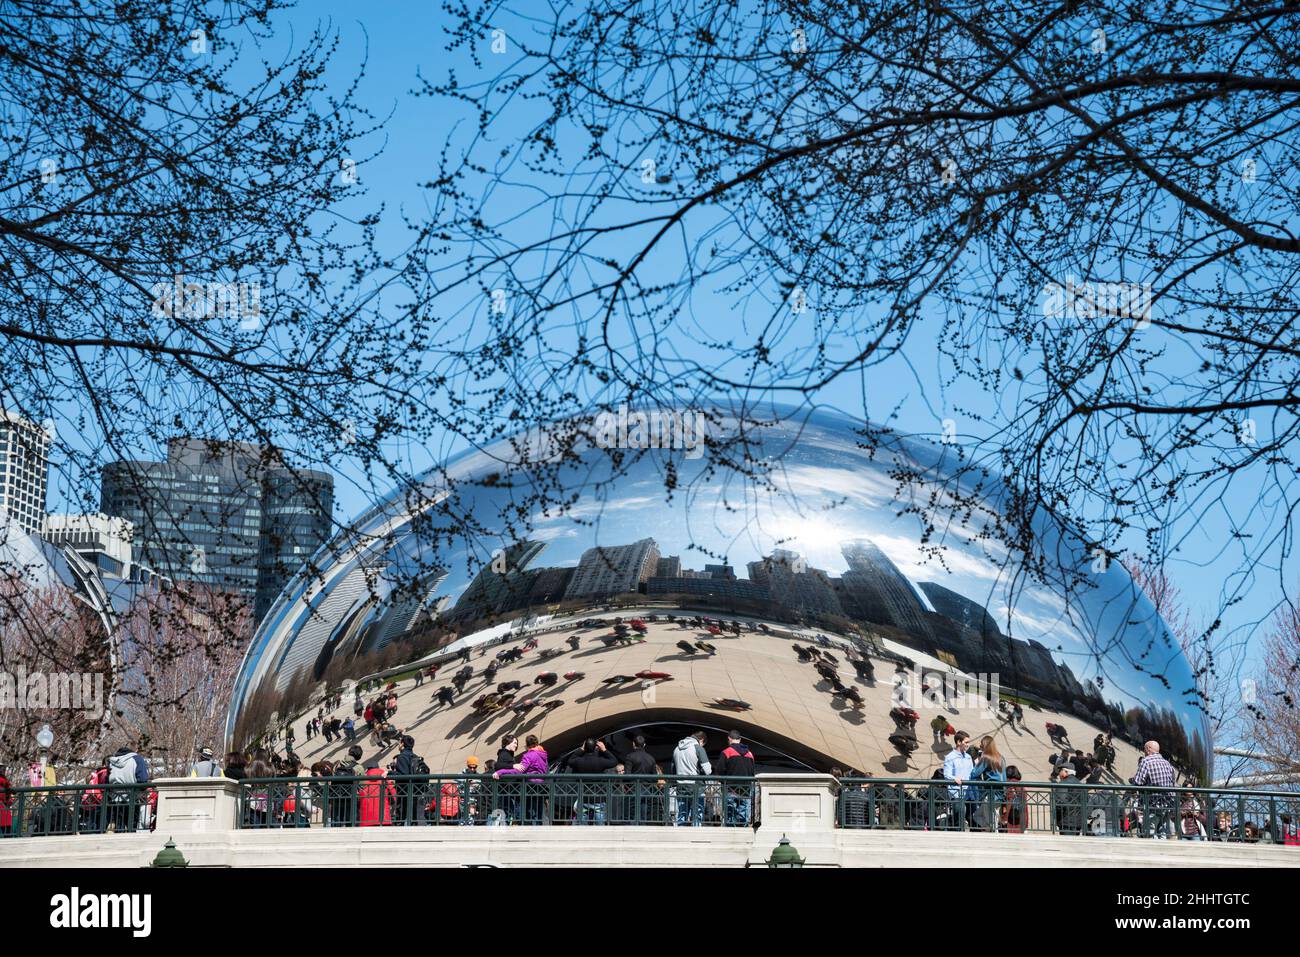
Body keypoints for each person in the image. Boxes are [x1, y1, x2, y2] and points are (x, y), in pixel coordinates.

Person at [1131, 740, 1177, 839]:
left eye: (1144, 749)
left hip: (1153, 804)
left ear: (1148, 749)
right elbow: (1173, 783)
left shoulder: (1146, 761)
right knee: (1162, 832)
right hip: (1167, 804)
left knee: (1150, 832)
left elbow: (1138, 782)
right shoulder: (1167, 764)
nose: (1144, 752)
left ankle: (1153, 853)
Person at [567, 738, 618, 824]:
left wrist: (581, 749)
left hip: (584, 796)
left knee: (582, 825)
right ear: (596, 748)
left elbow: (570, 761)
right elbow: (614, 761)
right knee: (600, 825)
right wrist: (604, 749)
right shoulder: (600, 761)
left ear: (585, 747)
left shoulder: (579, 761)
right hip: (598, 796)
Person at [715, 731, 756, 826]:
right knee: (743, 816)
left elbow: (719, 772)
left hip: (730, 788)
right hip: (746, 789)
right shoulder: (750, 754)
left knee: (730, 816)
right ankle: (743, 836)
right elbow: (752, 772)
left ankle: (730, 837)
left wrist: (722, 781)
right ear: (740, 740)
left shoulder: (726, 752)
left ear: (729, 739)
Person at [672, 730, 712, 826]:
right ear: (701, 740)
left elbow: (673, 769)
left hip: (680, 786)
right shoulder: (698, 748)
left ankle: (680, 837)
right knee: (697, 816)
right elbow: (708, 770)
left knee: (682, 815)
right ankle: (696, 837)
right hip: (696, 787)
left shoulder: (677, 748)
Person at [107, 745, 149, 832]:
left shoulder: (112, 761)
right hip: (132, 796)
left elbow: (107, 779)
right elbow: (142, 779)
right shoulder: (137, 759)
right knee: (132, 824)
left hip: (115, 797)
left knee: (119, 824)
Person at [389, 736, 430, 824]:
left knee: (400, 817)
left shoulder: (402, 757)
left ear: (402, 744)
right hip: (415, 791)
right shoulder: (415, 756)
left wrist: (390, 773)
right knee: (413, 816)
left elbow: (403, 775)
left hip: (404, 792)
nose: (399, 745)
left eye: (399, 743)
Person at [968, 735, 1005, 831]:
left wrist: (977, 761)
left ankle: (992, 833)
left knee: (990, 823)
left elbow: (974, 773)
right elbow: (1003, 777)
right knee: (977, 816)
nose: (980, 748)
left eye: (981, 746)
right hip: (1000, 794)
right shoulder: (1001, 758)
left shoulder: (986, 758)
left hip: (990, 794)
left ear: (984, 746)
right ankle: (992, 828)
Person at [622, 735, 658, 823]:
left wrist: (627, 786)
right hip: (647, 789)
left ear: (633, 744)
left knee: (631, 815)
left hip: (633, 789)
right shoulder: (651, 758)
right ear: (644, 745)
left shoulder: (630, 757)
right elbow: (655, 778)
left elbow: (627, 775)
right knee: (644, 815)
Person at [941, 731, 974, 830]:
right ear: (959, 742)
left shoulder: (968, 757)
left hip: (969, 793)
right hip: (956, 794)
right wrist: (954, 778)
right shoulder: (950, 757)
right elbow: (946, 774)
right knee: (959, 819)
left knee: (972, 819)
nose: (968, 745)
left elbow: (972, 773)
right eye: (966, 742)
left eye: (969, 742)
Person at [357, 759, 395, 827]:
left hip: (366, 819)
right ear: (378, 768)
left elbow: (358, 799)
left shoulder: (363, 780)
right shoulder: (385, 778)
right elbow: (394, 796)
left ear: (368, 769)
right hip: (383, 818)